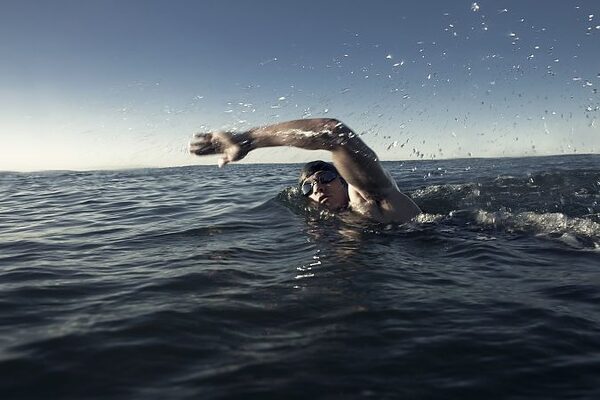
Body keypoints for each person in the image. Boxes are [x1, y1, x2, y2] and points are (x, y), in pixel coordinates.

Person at [189, 118, 421, 223]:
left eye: (326, 178)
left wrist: (249, 139)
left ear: (344, 181)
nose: (317, 187)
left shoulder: (370, 202)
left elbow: (334, 134)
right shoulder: (325, 227)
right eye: (308, 186)